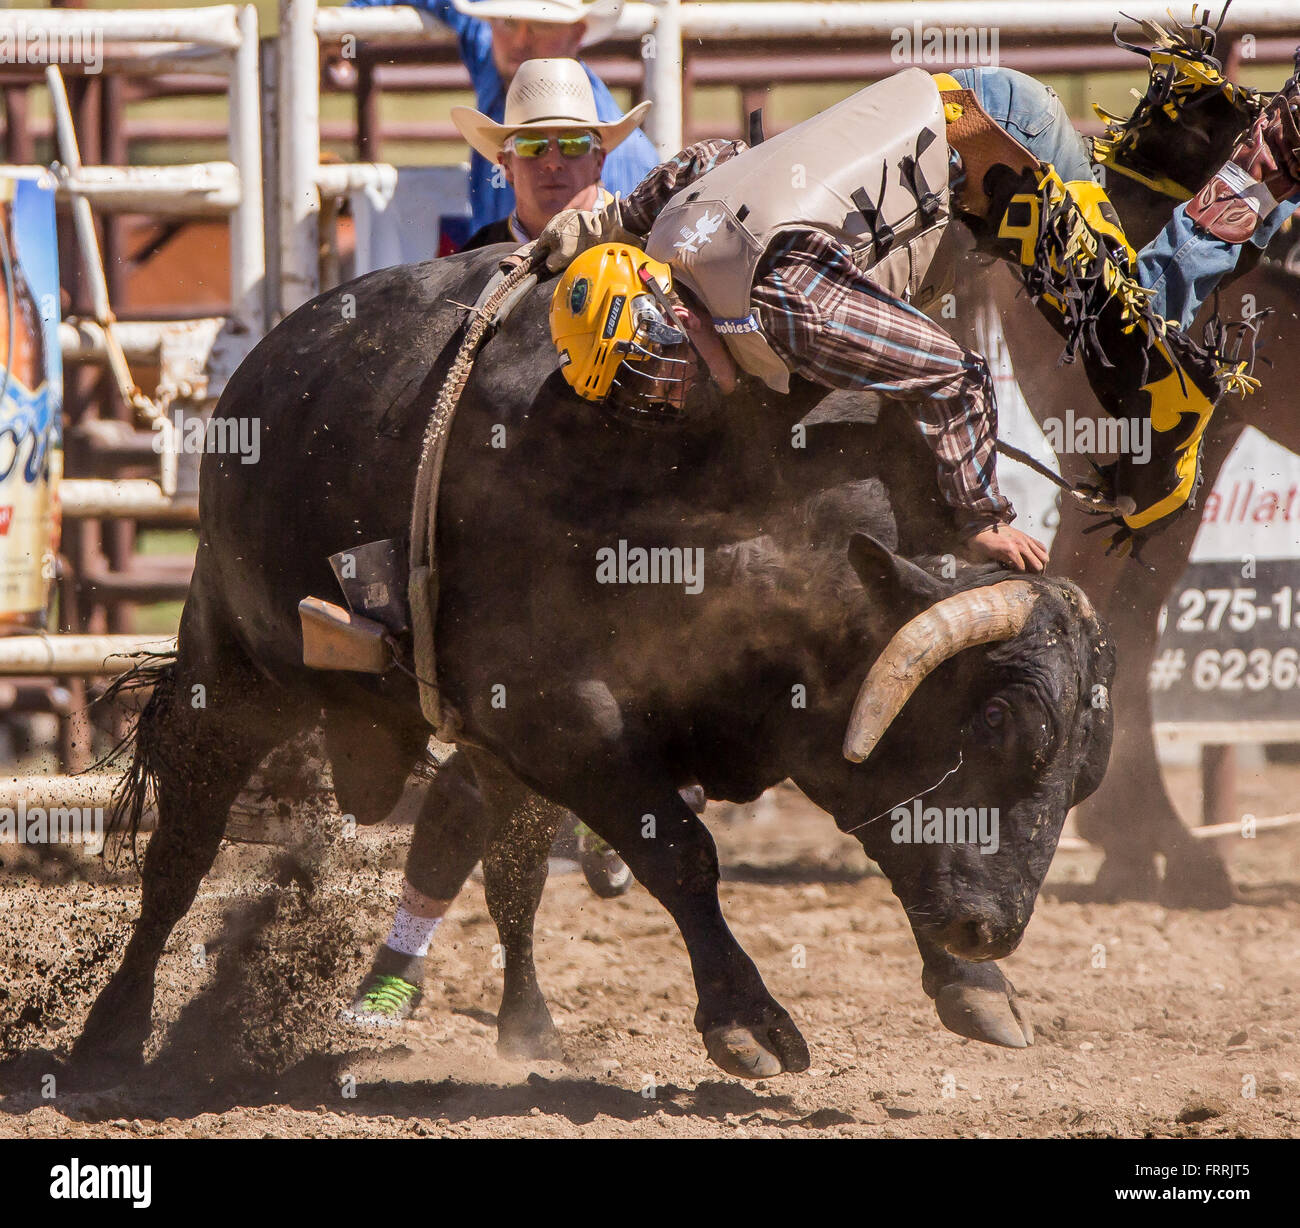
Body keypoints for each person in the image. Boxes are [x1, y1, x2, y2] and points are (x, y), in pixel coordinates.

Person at [534, 55, 1300, 559]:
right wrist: (611, 224)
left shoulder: (784, 300)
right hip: (961, 117)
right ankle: (1175, 161)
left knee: (1135, 352)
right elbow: (706, 162)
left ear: (675, 312)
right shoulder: (670, 237)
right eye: (646, 389)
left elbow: (952, 373)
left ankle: (1266, 154)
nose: (668, 391)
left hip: (998, 147)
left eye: (658, 367)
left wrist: (983, 516)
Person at [346, 0, 659, 234]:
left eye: (542, 25)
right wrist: (351, 21)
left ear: (577, 33)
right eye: (508, 22)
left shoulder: (625, 159)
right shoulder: (497, 68)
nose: (520, 40)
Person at [450, 56, 650, 248]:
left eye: (574, 143)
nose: (552, 162)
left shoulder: (645, 244)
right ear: (506, 165)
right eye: (531, 145)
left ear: (599, 161)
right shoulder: (476, 257)